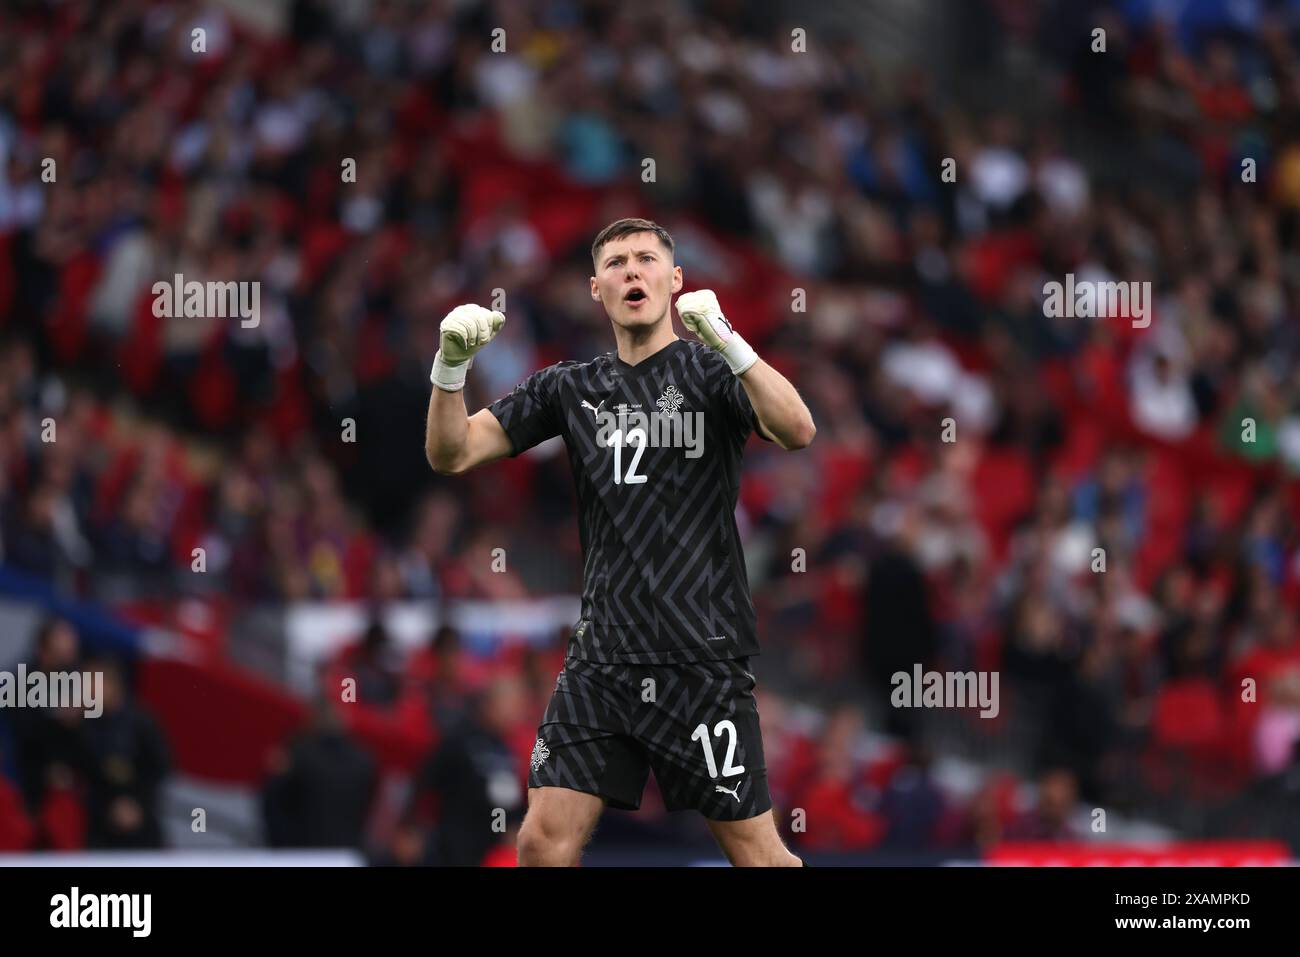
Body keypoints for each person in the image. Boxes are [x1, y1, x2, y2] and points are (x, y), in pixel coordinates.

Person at [424, 218, 816, 866]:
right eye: (616, 263)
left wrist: (729, 342)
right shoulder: (569, 387)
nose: (632, 270)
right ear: (596, 289)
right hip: (602, 660)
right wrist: (450, 367)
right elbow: (453, 452)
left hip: (700, 657)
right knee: (542, 842)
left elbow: (798, 428)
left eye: (645, 258)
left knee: (760, 856)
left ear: (675, 280)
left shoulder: (712, 372)